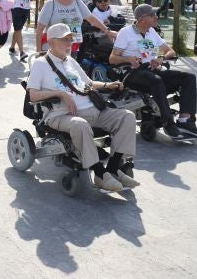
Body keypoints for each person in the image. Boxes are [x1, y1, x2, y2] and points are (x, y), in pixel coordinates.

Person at [27, 24, 140, 192]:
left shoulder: (71, 61)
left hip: (92, 109)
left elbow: (88, 84)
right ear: (51, 42)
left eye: (70, 39)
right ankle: (100, 174)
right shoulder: (40, 64)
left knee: (127, 117)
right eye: (64, 40)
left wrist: (108, 85)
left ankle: (114, 169)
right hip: (61, 115)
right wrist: (60, 93)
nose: (69, 44)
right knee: (80, 124)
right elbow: (33, 95)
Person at [109, 4, 197, 139]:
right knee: (156, 81)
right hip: (133, 73)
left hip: (152, 70)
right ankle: (168, 123)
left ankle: (185, 121)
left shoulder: (151, 32)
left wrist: (161, 58)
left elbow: (170, 51)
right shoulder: (125, 32)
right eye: (152, 15)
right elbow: (112, 58)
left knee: (188, 78)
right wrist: (129, 58)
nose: (156, 17)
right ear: (142, 18)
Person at [36, 0, 116, 53]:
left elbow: (91, 19)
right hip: (53, 48)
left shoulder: (77, 1)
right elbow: (40, 28)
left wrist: (107, 30)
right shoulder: (51, 4)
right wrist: (38, 51)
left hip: (72, 47)